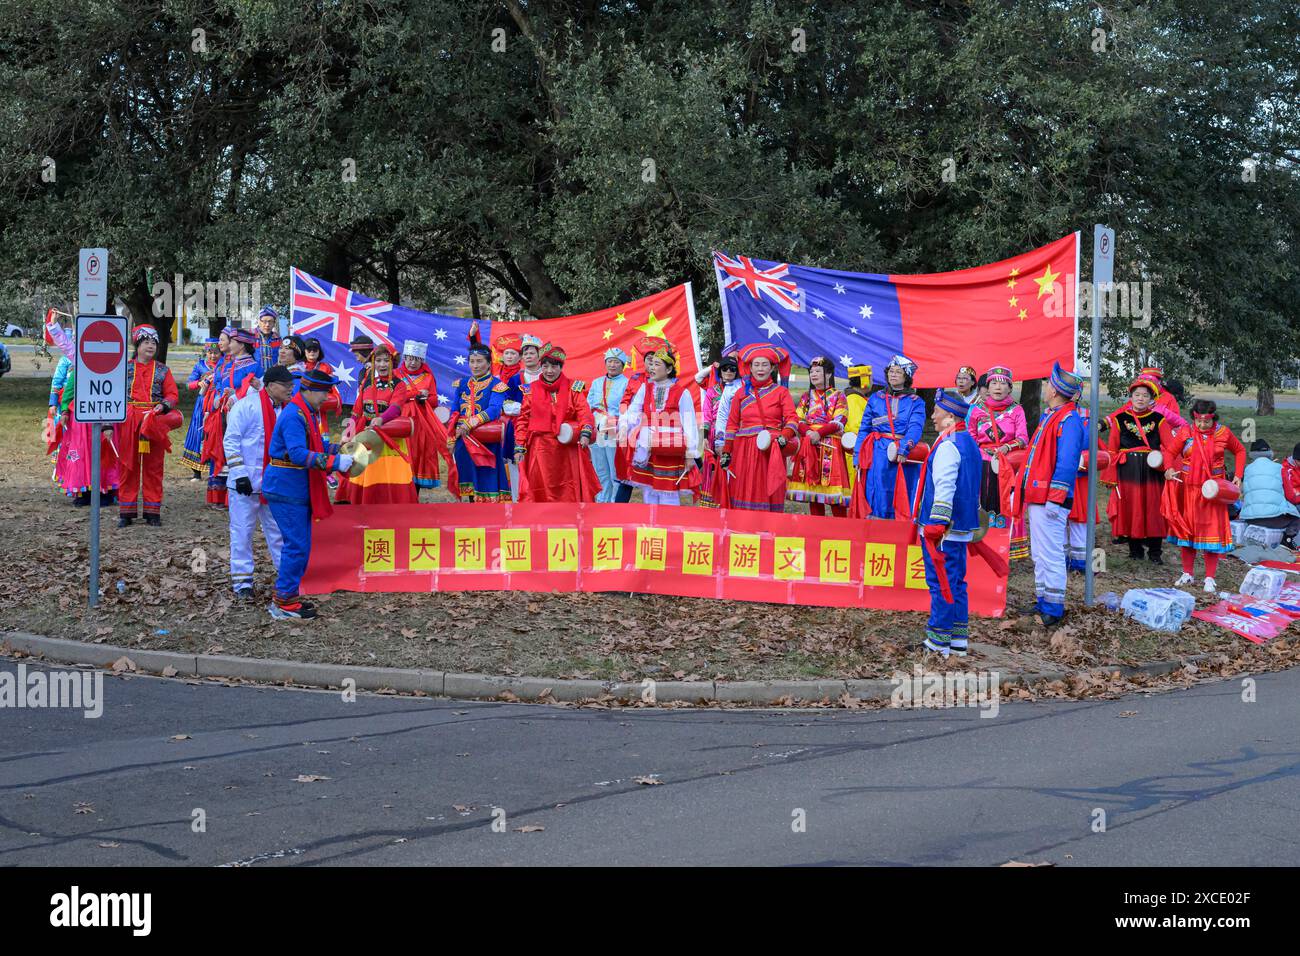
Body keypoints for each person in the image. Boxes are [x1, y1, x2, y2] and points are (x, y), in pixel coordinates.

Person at [262, 367, 352, 620]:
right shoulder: (295, 415)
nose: (327, 397)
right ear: (309, 390)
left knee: (299, 544)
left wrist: (339, 448)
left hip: (294, 486)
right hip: (286, 487)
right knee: (297, 546)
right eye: (323, 392)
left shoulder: (306, 411)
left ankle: (287, 596)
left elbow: (314, 444)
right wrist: (336, 463)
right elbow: (299, 454)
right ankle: (283, 602)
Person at [1014, 362, 1085, 627]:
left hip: (1049, 499)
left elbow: (1067, 464)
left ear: (1054, 390)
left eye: (1047, 385)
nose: (1044, 388)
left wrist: (1056, 498)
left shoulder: (1068, 420)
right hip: (1040, 496)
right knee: (1040, 553)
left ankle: (1053, 607)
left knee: (1052, 554)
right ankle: (1043, 599)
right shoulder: (1054, 416)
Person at [915, 389, 982, 656]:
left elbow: (945, 486)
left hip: (945, 529)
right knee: (956, 581)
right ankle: (957, 639)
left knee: (941, 581)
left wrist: (937, 523)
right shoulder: (967, 441)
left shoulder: (949, 445)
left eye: (937, 411)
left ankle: (938, 641)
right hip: (960, 526)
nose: (933, 416)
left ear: (950, 416)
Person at [224, 365, 293, 598]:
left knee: (278, 532)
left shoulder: (288, 410)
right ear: (272, 386)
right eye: (287, 386)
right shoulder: (246, 406)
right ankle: (242, 582)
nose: (291, 389)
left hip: (274, 484)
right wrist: (239, 473)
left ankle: (286, 577)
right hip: (245, 483)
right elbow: (231, 440)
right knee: (242, 531)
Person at [1163, 400, 1245, 591]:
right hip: (1189, 488)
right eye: (1198, 421)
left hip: (1214, 490)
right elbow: (1170, 452)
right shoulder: (1186, 432)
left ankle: (1209, 577)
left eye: (1206, 422)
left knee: (1211, 532)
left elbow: (1240, 450)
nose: (1201, 425)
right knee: (1187, 530)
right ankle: (1187, 573)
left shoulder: (1223, 433)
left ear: (1213, 418)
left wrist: (1238, 475)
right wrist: (1168, 469)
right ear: (1194, 418)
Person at [1102, 378, 1178, 563]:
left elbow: (1170, 447)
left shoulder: (1159, 420)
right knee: (1130, 507)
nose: (1140, 399)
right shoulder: (1120, 420)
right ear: (1131, 397)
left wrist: (1168, 467)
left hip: (1152, 470)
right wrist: (1110, 474)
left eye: (1145, 395)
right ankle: (1135, 550)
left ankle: (1155, 552)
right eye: (1137, 395)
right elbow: (1112, 449)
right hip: (1127, 470)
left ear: (1152, 399)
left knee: (1153, 508)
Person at [45, 315, 119, 506]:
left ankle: (106, 492)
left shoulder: (112, 362)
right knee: (82, 454)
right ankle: (84, 492)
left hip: (105, 416)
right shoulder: (80, 359)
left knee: (103, 453)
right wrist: (53, 326)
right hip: (81, 418)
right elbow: (69, 385)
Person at [514, 343, 600, 502]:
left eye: (554, 367)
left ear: (561, 367)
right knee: (541, 487)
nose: (549, 371)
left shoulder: (574, 388)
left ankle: (571, 520)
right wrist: (520, 446)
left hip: (567, 448)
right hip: (540, 449)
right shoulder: (530, 390)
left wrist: (586, 432)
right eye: (545, 366)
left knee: (569, 488)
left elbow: (584, 412)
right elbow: (523, 420)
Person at [115, 326, 181, 527]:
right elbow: (113, 395)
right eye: (146, 343)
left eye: (153, 343)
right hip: (129, 420)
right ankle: (127, 512)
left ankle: (152, 512)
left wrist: (163, 405)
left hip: (153, 420)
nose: (150, 346)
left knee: (154, 466)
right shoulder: (124, 369)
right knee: (128, 466)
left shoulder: (163, 370)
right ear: (138, 345)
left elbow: (172, 394)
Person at [720, 344, 798, 512]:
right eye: (756, 364)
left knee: (767, 489)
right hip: (743, 451)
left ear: (772, 368)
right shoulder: (740, 394)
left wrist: (784, 435)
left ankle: (767, 531)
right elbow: (732, 425)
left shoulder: (781, 392)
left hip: (770, 449)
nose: (760, 369)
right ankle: (742, 530)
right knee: (743, 488)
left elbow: (792, 418)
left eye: (764, 364)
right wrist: (727, 451)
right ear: (749, 367)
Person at [336, 343, 417, 504]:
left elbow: (396, 407)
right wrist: (348, 434)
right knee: (367, 474)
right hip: (366, 438)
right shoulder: (367, 383)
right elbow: (356, 412)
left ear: (392, 362)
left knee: (390, 475)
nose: (382, 364)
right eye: (378, 360)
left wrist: (381, 419)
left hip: (389, 438)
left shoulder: (399, 385)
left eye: (386, 360)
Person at [622, 342, 700, 505]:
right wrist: (622, 426)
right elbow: (633, 412)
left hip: (670, 449)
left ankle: (668, 528)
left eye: (657, 364)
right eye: (651, 364)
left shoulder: (681, 392)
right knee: (648, 493)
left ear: (669, 369)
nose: (652, 368)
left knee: (668, 494)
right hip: (648, 448)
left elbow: (690, 424)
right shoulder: (645, 388)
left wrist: (690, 453)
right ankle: (651, 528)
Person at [852, 354, 925, 519]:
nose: (893, 375)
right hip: (877, 452)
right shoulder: (875, 398)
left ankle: (899, 528)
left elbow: (915, 427)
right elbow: (864, 428)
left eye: (898, 372)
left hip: (902, 453)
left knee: (901, 491)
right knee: (877, 490)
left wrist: (904, 447)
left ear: (906, 376)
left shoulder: (916, 401)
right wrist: (857, 455)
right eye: (891, 371)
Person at [376, 340, 452, 495]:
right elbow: (391, 396)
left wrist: (423, 398)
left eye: (416, 359)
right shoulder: (395, 374)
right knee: (400, 453)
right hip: (398, 419)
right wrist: (413, 394)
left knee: (418, 455)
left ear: (422, 360)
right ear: (404, 358)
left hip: (420, 423)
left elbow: (434, 400)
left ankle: (413, 494)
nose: (412, 362)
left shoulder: (428, 377)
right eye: (409, 358)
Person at [788, 355, 851, 515]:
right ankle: (817, 529)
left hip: (831, 447)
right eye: (812, 372)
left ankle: (842, 530)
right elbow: (797, 419)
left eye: (818, 371)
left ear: (828, 374)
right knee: (813, 492)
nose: (813, 374)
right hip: (810, 446)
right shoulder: (806, 397)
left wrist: (819, 433)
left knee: (834, 493)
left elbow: (840, 420)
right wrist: (809, 433)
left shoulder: (839, 396)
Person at [967, 366, 1027, 530]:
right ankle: (981, 541)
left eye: (1002, 384)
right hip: (982, 463)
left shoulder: (1016, 410)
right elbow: (970, 438)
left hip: (1007, 463)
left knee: (1005, 501)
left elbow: (1023, 438)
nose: (998, 387)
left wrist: (1007, 447)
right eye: (993, 383)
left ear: (1009, 388)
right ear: (988, 386)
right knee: (981, 501)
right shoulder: (977, 411)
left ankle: (1005, 543)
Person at [449, 342, 510, 501]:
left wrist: (470, 423)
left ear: (489, 363)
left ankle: (490, 518)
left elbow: (494, 409)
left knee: (486, 477)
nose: (475, 366)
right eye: (472, 361)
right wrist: (451, 433)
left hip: (485, 439)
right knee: (467, 478)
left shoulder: (497, 385)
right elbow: (455, 411)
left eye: (479, 361)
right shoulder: (461, 384)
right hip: (463, 437)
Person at [612, 336, 668, 503]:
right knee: (628, 474)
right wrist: (623, 424)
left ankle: (656, 515)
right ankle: (618, 511)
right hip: (634, 430)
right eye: (648, 360)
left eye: (654, 361)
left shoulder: (668, 383)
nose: (651, 364)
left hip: (657, 430)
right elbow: (625, 402)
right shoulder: (636, 379)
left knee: (655, 476)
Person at [696, 354, 743, 507]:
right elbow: (707, 415)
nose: (728, 372)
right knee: (711, 467)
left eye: (732, 369)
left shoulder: (741, 388)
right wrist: (704, 436)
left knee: (732, 466)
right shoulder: (712, 391)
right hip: (713, 433)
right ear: (720, 372)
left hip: (735, 432)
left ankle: (730, 500)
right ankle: (711, 501)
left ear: (737, 372)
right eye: (725, 369)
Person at [1238, 439, 1300, 547]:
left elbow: (1242, 493)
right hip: (1274, 519)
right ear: (1270, 453)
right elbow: (1292, 498)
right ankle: (1288, 539)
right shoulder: (1280, 468)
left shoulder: (1247, 470)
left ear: (1252, 454)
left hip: (1250, 520)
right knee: (1296, 517)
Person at [589, 348, 630, 502]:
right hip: (596, 425)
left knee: (614, 468)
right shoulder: (596, 382)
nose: (612, 365)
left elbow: (628, 408)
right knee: (599, 468)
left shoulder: (627, 383)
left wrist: (617, 422)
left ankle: (614, 503)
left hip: (615, 427)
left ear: (623, 365)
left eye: (616, 362)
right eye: (610, 361)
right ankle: (601, 500)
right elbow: (588, 404)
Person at [181, 338, 221, 478]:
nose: (213, 356)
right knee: (198, 432)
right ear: (206, 352)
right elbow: (188, 384)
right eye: (210, 352)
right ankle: (196, 471)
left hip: (218, 403)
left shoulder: (225, 366)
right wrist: (199, 383)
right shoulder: (200, 366)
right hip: (202, 404)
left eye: (216, 352)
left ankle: (216, 468)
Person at [303, 337, 343, 437]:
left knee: (322, 439)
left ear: (319, 352)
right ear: (304, 351)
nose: (312, 352)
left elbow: (332, 389)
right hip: (302, 408)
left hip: (319, 410)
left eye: (315, 349)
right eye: (309, 349)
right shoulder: (299, 366)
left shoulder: (325, 367)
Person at [841, 365, 872, 488]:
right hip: (854, 455)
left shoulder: (857, 399)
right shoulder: (853, 399)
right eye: (871, 378)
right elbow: (856, 428)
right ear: (864, 380)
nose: (872, 382)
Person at [254, 306, 282, 371]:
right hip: (254, 377)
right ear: (259, 321)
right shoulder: (250, 336)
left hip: (273, 377)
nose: (267, 325)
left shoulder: (278, 338)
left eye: (270, 321)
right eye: (264, 321)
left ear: (274, 323)